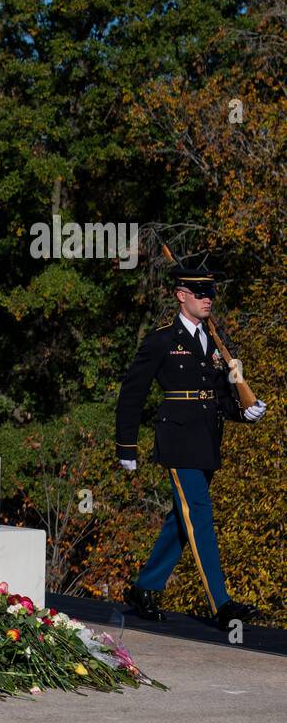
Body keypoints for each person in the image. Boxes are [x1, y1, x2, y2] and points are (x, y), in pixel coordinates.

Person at [114, 266, 267, 631]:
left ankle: (145, 588)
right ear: (181, 296)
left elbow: (219, 397)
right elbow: (133, 393)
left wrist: (246, 412)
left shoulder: (214, 340)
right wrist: (126, 445)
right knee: (199, 515)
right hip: (178, 440)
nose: (207, 298)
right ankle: (222, 603)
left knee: (181, 522)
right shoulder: (162, 339)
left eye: (210, 292)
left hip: (207, 441)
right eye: (200, 293)